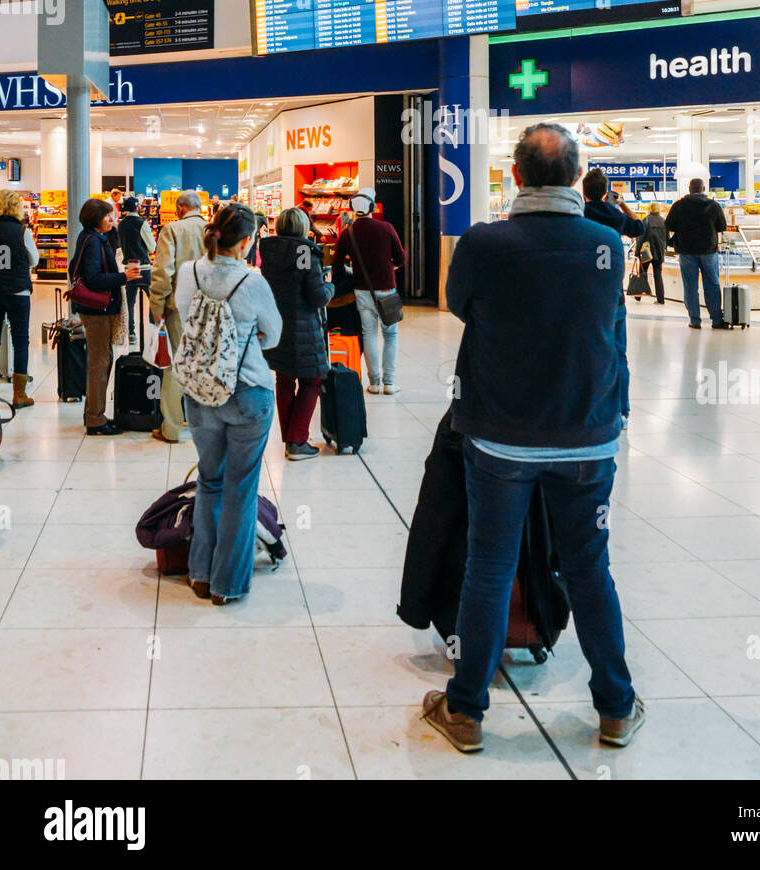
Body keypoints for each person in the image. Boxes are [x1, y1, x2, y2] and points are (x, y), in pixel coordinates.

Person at [421, 123, 641, 756]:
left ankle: (465, 712)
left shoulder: (485, 242)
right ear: (577, 178)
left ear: (515, 176)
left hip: (500, 437)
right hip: (588, 436)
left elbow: (458, 305)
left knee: (488, 568)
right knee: (589, 568)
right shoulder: (606, 243)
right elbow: (607, 321)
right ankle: (616, 709)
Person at [174, 202, 282, 604]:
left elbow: (186, 318)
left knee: (209, 480)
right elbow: (273, 336)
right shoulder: (252, 282)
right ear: (248, 241)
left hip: (199, 393)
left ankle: (200, 574)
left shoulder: (190, 273)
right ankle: (227, 584)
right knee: (241, 488)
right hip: (247, 391)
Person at [260, 206, 334, 460]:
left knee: (284, 380)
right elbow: (316, 296)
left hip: (277, 325)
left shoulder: (269, 252)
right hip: (303, 327)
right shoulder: (304, 252)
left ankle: (289, 439)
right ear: (303, 227)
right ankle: (297, 440)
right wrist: (330, 285)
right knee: (312, 380)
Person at [69, 198, 141, 435]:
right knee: (100, 363)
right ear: (95, 219)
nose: (113, 219)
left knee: (103, 360)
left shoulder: (92, 238)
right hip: (97, 311)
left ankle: (94, 412)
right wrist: (124, 278)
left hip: (95, 310)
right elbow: (93, 279)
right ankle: (95, 419)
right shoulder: (93, 242)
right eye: (108, 216)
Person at [581, 168, 642, 423]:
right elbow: (639, 228)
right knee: (618, 355)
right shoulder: (614, 215)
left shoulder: (578, 214)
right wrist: (623, 206)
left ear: (583, 192)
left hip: (584, 295)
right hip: (613, 295)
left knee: (583, 353)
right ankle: (621, 411)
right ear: (606, 192)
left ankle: (587, 409)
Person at [334, 189, 405, 395]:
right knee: (391, 335)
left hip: (362, 290)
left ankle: (374, 382)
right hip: (387, 289)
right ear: (372, 207)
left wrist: (351, 270)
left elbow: (337, 264)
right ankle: (389, 383)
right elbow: (400, 259)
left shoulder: (348, 233)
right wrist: (388, 268)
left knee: (369, 335)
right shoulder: (386, 228)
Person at [149, 190, 207, 444]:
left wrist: (156, 304)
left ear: (180, 208)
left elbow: (163, 271)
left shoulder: (172, 230)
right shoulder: (214, 231)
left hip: (179, 307)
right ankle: (205, 425)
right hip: (208, 307)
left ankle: (171, 428)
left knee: (175, 366)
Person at [664, 178, 730, 330]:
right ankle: (716, 319)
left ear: (689, 189)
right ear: (704, 188)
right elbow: (722, 226)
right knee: (712, 284)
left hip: (686, 251)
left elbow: (668, 225)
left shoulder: (679, 206)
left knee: (690, 286)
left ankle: (695, 320)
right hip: (708, 250)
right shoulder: (713, 205)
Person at [0, 190, 39, 408]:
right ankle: (19, 394)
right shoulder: (23, 231)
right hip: (18, 291)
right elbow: (34, 259)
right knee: (20, 340)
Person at [118, 195, 156, 345]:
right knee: (153, 299)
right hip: (145, 268)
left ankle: (131, 333)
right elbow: (152, 246)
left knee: (130, 302)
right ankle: (154, 329)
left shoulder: (121, 224)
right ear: (136, 207)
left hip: (129, 268)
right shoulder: (142, 223)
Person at [635, 201, 668, 305]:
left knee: (642, 272)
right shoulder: (664, 221)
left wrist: (637, 251)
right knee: (658, 275)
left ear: (650, 209)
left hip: (646, 252)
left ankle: (638, 295)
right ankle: (660, 299)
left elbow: (641, 237)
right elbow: (667, 238)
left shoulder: (646, 220)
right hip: (659, 252)